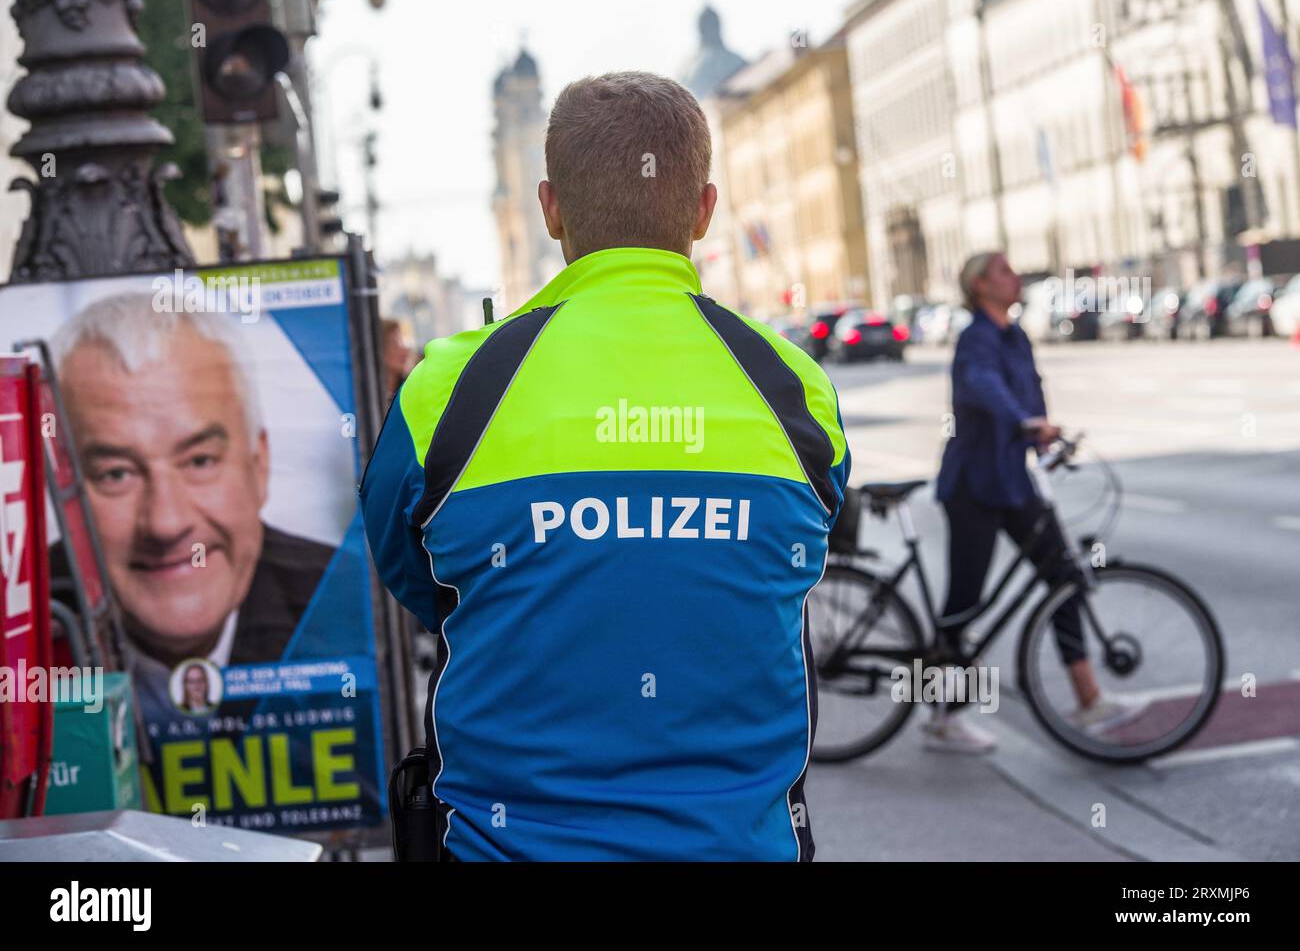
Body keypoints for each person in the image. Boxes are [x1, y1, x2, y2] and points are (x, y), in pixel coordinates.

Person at [361, 71, 851, 861]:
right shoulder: (794, 389)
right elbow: (794, 560)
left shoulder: (448, 391)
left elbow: (413, 575)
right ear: (703, 209)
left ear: (549, 208)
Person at [50, 293, 336, 713]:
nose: (166, 523)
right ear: (60, 491)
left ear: (259, 466)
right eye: (116, 473)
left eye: (200, 461)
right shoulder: (19, 635)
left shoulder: (344, 601)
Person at [930, 252, 1148, 753]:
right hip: (972, 486)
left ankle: (1089, 697)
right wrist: (1023, 423)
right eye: (1005, 270)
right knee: (963, 606)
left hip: (1014, 481)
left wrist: (1042, 434)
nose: (1016, 277)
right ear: (981, 285)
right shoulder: (976, 339)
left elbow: (1030, 395)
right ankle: (944, 716)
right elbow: (984, 387)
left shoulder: (1015, 335)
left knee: (1064, 578)